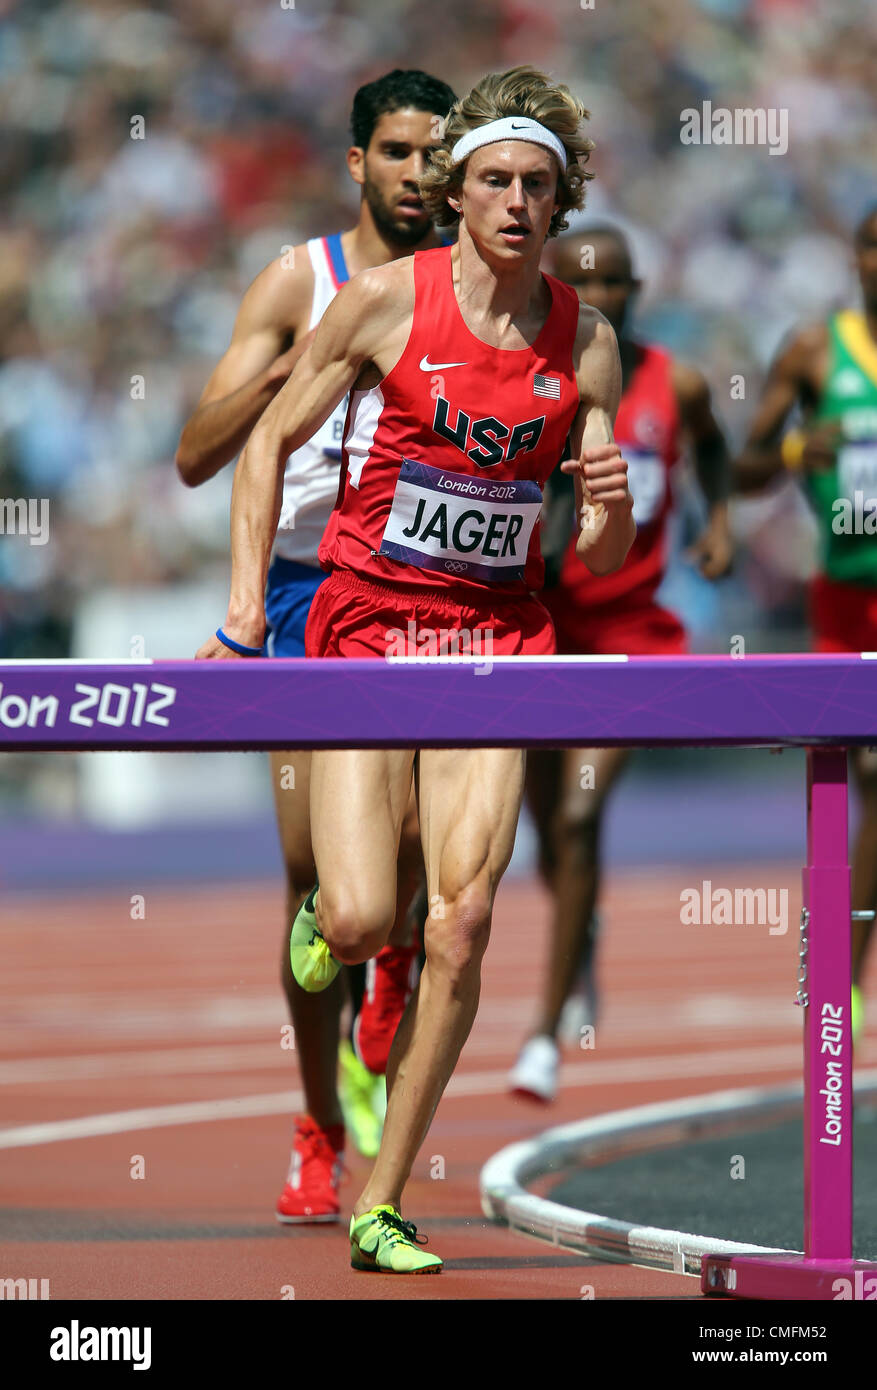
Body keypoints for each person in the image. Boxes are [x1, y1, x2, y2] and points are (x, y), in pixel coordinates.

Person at [198, 63, 636, 1273]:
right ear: (456, 192)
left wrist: (604, 503)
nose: (512, 204)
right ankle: (328, 924)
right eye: (491, 181)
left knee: (463, 921)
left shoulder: (584, 340)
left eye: (535, 187)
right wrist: (244, 621)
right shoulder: (384, 303)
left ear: (560, 204)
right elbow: (268, 445)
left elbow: (599, 540)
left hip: (497, 638)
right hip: (366, 627)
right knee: (360, 913)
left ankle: (380, 1195)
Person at [176, 69, 457, 1217]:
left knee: (410, 874)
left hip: (423, 591)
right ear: (358, 163)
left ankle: (389, 957)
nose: (416, 174)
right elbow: (196, 449)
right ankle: (316, 1119)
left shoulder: (467, 285)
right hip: (302, 596)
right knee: (309, 875)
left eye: (434, 154)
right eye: (395, 152)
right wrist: (302, 366)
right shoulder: (299, 281)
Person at [509, 224, 733, 1102]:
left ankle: (541, 1036)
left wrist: (718, 521)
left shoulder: (672, 382)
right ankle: (581, 929)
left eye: (620, 288)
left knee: (575, 819)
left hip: (632, 642)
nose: (604, 303)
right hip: (536, 635)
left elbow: (711, 445)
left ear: (642, 288)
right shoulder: (528, 378)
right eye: (584, 286)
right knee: (538, 840)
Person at [736, 203, 877, 1042]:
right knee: (864, 785)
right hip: (844, 604)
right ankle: (839, 973)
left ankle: (839, 970)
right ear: (853, 257)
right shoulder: (812, 350)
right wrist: (796, 452)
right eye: (870, 247)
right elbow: (744, 468)